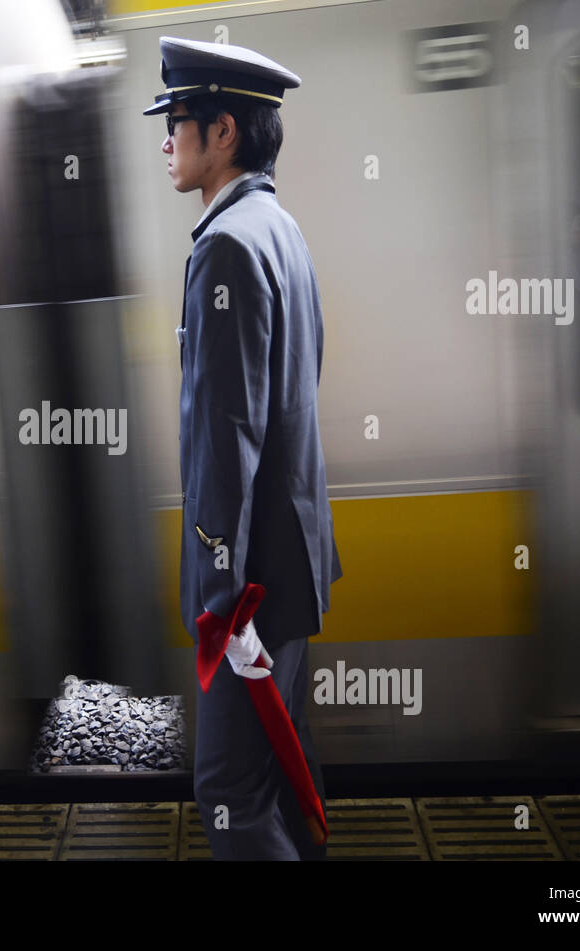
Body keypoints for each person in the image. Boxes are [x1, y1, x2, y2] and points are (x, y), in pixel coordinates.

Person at [143, 36, 342, 859]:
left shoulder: (225, 243)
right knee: (285, 771)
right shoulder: (278, 226)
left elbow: (227, 439)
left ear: (222, 132)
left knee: (228, 790)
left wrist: (221, 603)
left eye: (177, 121)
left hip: (249, 589)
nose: (166, 140)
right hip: (294, 562)